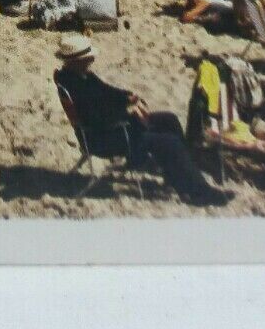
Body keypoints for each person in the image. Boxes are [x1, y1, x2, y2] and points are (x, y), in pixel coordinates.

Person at [51, 34, 231, 206]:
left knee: (169, 119)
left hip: (112, 129)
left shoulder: (80, 76)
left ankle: (179, 174)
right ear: (76, 60)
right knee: (169, 142)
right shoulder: (76, 86)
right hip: (104, 138)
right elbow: (97, 119)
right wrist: (128, 114)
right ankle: (199, 193)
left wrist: (128, 97)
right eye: (88, 58)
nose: (92, 60)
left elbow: (107, 91)